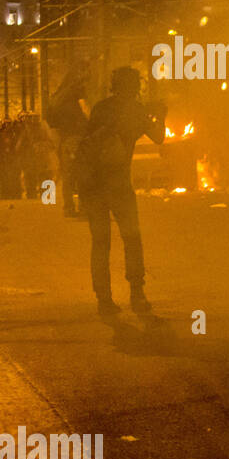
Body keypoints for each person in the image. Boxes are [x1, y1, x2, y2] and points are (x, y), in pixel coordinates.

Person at [78, 66, 166, 316]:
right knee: (131, 238)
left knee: (100, 242)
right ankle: (137, 294)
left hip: (94, 186)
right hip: (118, 184)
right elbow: (159, 137)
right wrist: (160, 115)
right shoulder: (137, 111)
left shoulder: (101, 108)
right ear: (134, 87)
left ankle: (104, 299)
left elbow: (87, 143)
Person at [46, 62, 91, 216]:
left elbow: (52, 122)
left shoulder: (58, 97)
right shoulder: (74, 96)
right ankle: (84, 207)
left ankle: (69, 208)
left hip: (64, 139)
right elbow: (85, 114)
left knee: (68, 174)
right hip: (76, 138)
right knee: (83, 174)